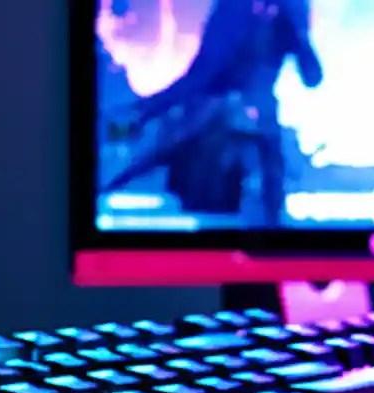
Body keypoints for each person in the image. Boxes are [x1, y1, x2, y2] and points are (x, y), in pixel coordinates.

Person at [102, 0, 323, 227]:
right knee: (162, 155)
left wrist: (299, 35)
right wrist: (147, 109)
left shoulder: (290, 10)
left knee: (266, 198)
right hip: (216, 125)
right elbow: (201, 73)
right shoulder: (234, 9)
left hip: (257, 128)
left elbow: (312, 76)